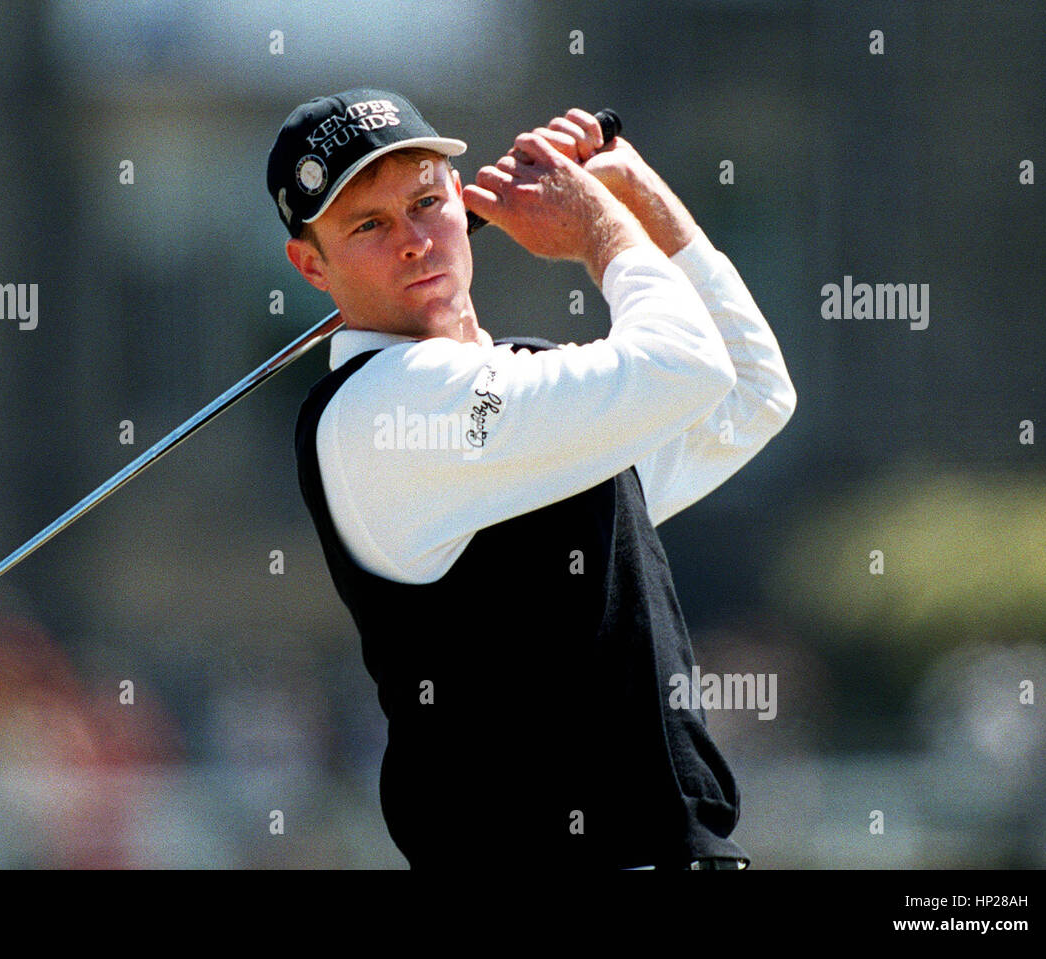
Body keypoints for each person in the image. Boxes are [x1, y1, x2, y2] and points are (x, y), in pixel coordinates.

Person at [270, 88, 796, 869]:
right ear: (311, 263)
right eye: (369, 224)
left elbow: (749, 391)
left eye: (425, 201)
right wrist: (599, 230)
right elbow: (686, 367)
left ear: (461, 197)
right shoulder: (380, 411)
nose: (414, 241)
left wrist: (636, 193)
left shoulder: (529, 390)